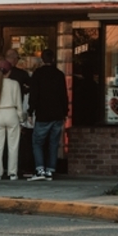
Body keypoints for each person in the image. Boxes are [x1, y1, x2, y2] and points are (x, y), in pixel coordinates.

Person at [27, 47, 69, 181]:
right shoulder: (59, 74)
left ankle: (40, 170)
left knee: (37, 142)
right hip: (57, 114)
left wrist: (30, 110)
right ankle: (50, 170)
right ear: (53, 59)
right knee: (53, 143)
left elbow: (34, 95)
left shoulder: (38, 74)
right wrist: (65, 112)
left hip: (43, 114)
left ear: (42, 59)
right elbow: (64, 95)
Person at [0, 53, 26, 181]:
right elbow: (19, 103)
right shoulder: (15, 84)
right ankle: (12, 173)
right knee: (13, 146)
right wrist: (21, 118)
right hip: (11, 113)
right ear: (9, 72)